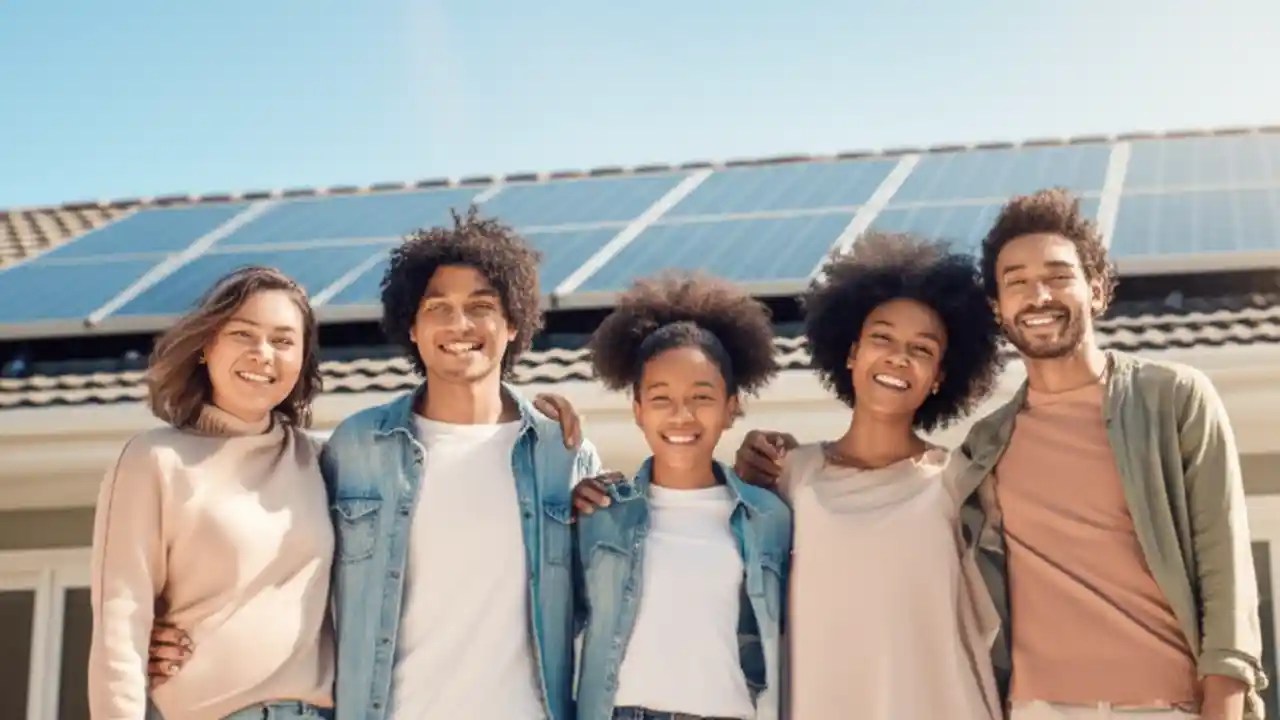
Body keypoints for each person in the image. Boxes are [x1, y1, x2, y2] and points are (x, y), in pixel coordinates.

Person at [740, 189, 1268, 720]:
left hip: (1163, 706)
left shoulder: (1169, 399)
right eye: (1016, 281)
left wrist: (1224, 703)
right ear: (997, 306)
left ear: (1099, 289)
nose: (1038, 295)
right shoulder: (990, 446)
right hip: (1034, 709)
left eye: (1058, 276)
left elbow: (1225, 570)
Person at [576, 233, 1006, 719]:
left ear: (940, 377)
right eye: (881, 338)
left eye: (922, 349)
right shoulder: (789, 476)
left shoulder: (961, 483)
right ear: (851, 352)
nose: (898, 357)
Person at [318, 208, 600, 720]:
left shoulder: (563, 451)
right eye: (438, 307)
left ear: (513, 323)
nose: (459, 324)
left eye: (481, 305)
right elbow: (288, 567)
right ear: (413, 326)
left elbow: (603, 601)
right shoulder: (356, 447)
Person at [89, 266, 336, 720]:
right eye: (244, 334)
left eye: (283, 341)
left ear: (302, 359)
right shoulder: (155, 460)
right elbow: (119, 624)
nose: (264, 354)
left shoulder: (325, 461)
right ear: (207, 345)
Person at [573, 273, 791, 720]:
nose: (682, 415)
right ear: (637, 409)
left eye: (702, 397)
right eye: (661, 398)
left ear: (732, 407)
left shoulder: (769, 516)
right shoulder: (598, 513)